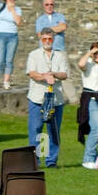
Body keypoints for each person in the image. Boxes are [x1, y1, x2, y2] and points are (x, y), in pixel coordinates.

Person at [26, 28, 69, 168]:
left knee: (54, 132)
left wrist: (54, 74)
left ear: (53, 39)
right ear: (40, 39)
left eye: (49, 39)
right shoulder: (33, 55)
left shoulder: (60, 55)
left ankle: (51, 161)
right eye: (44, 39)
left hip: (56, 100)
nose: (47, 41)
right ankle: (35, 162)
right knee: (36, 130)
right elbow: (32, 73)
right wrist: (44, 76)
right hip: (37, 99)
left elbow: (64, 74)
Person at [77, 42, 98, 167]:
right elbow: (80, 64)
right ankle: (88, 159)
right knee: (97, 128)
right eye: (95, 53)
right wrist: (90, 52)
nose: (97, 55)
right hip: (91, 99)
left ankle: (94, 155)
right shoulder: (88, 64)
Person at [0, 0, 22, 89]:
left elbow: (18, 21)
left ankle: (6, 81)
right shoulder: (1, 6)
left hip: (12, 36)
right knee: (0, 59)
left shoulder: (17, 9)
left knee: (9, 59)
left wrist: (12, 10)